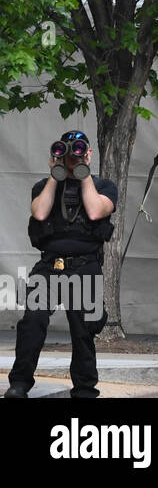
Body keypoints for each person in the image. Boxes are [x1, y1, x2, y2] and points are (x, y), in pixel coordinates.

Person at [5, 131, 117, 399]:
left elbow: (94, 211)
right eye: (68, 150)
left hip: (85, 266)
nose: (72, 154)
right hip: (49, 266)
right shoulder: (44, 186)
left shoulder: (104, 187)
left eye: (80, 149)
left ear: (89, 153)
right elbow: (40, 212)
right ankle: (19, 384)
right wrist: (56, 174)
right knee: (32, 322)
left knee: (83, 331)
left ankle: (85, 389)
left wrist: (83, 171)